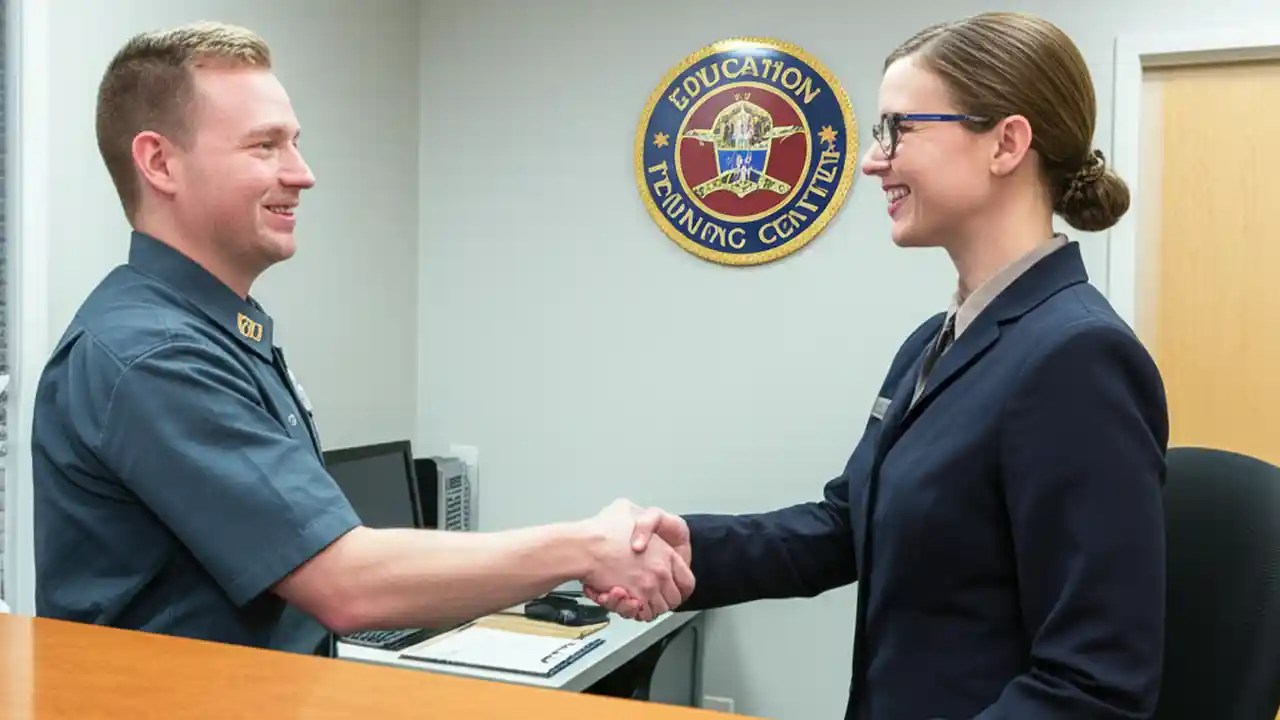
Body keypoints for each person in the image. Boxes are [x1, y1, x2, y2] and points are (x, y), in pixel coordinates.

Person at [30, 21, 692, 655]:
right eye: (265, 146)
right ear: (159, 164)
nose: (302, 172)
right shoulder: (153, 355)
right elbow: (345, 581)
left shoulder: (213, 332)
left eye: (294, 142)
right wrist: (585, 549)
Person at [590, 12, 1169, 720]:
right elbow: (847, 526)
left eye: (900, 129)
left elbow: (1093, 686)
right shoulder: (941, 338)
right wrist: (686, 548)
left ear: (1006, 143)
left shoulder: (1077, 358)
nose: (873, 159)